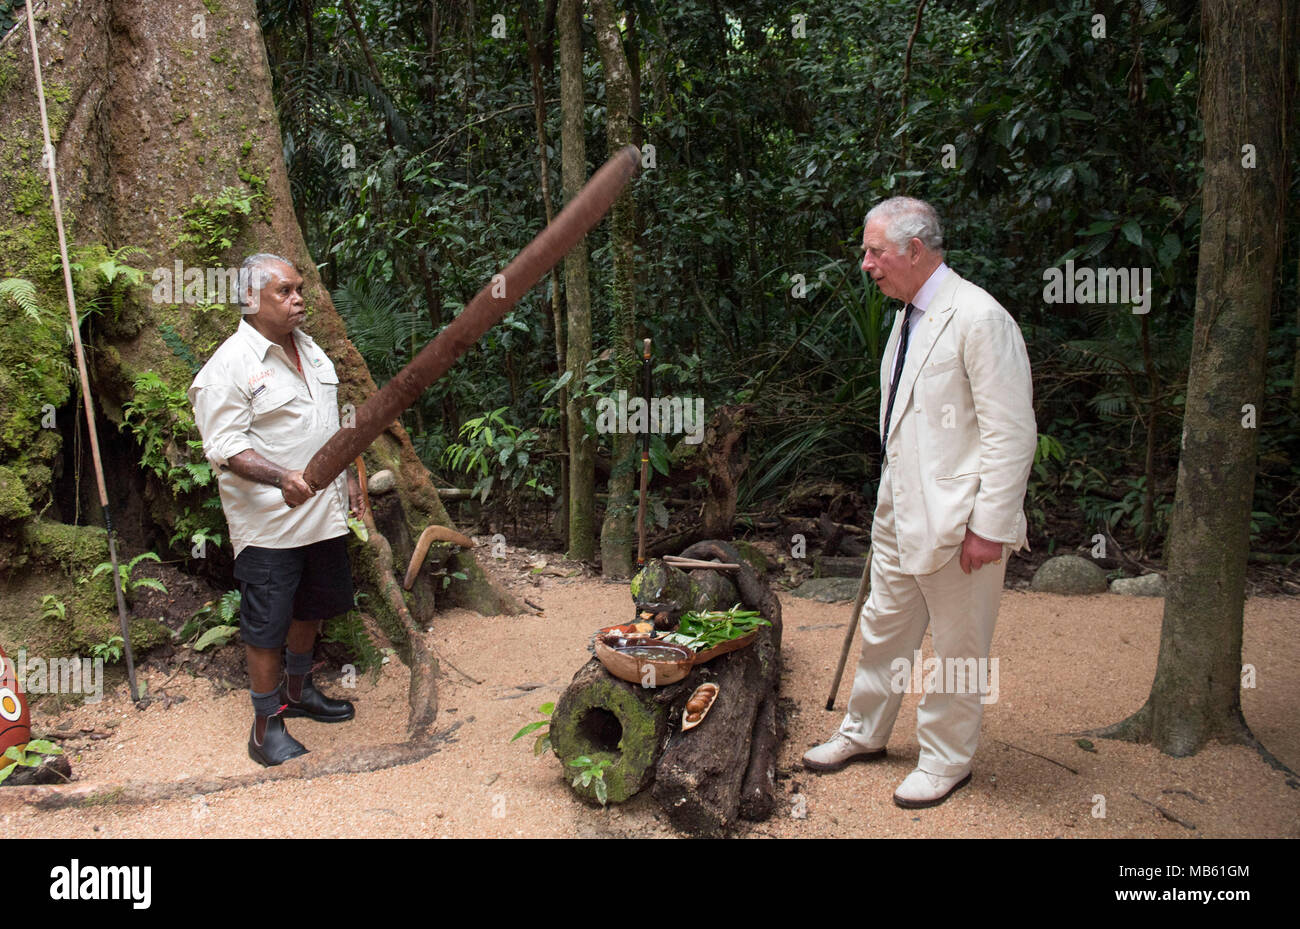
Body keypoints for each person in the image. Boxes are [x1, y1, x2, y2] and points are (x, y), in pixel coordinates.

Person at [802, 197, 1036, 808]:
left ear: (914, 250)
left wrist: (991, 526)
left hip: (961, 521)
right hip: (899, 512)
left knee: (958, 648)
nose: (865, 264)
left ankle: (945, 760)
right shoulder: (910, 315)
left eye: (874, 251)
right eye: (866, 251)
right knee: (884, 629)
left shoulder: (981, 319)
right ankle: (864, 732)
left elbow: (1012, 434)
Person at [189, 253, 366, 766]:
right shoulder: (229, 365)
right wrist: (280, 476)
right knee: (266, 625)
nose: (298, 300)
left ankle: (300, 689)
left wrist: (352, 482)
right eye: (285, 291)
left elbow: (334, 426)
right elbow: (223, 444)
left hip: (323, 514)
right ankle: (266, 726)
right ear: (251, 299)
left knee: (312, 606)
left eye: (299, 290)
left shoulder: (310, 350)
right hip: (269, 523)